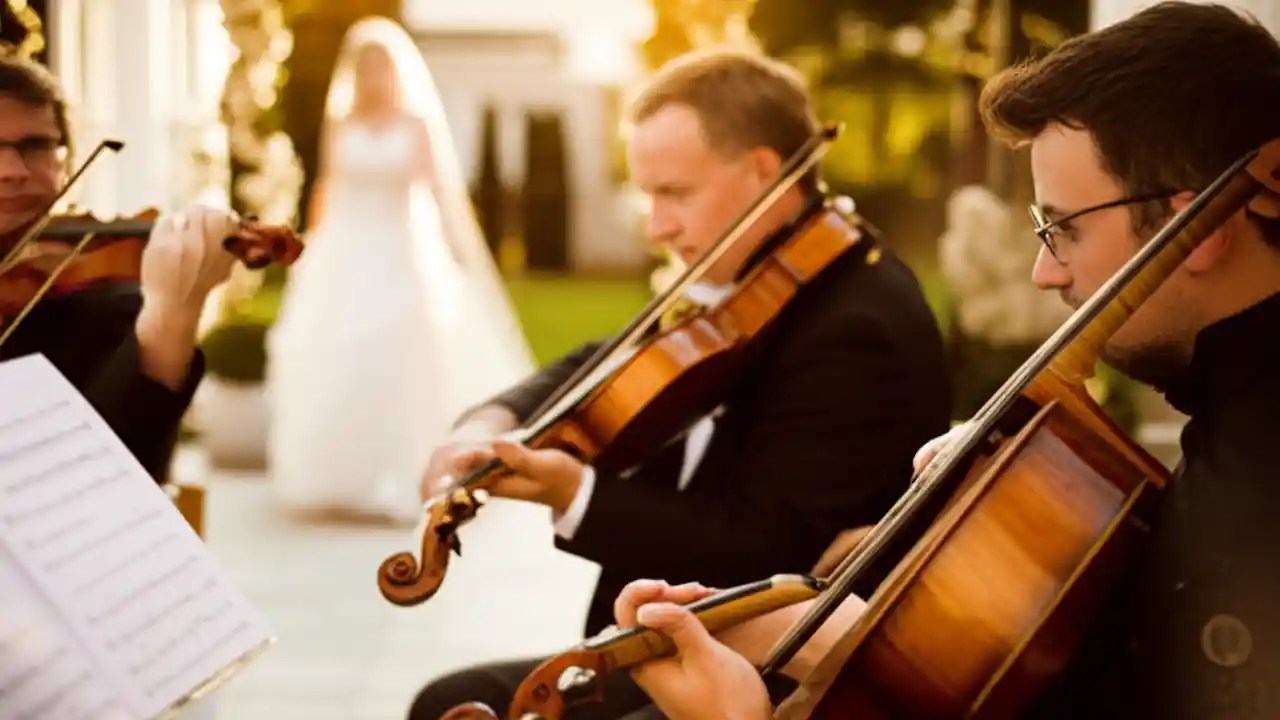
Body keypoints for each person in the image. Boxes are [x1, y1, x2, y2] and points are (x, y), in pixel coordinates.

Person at [602, 3, 1280, 718]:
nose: (1045, 273)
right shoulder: (1227, 440)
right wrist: (850, 639)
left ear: (1194, 229)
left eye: (1063, 229)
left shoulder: (1249, 505)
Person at [407, 47, 952, 720]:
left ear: (763, 170)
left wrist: (573, 491)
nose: (658, 226)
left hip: (764, 678)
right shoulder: (749, 281)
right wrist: (493, 419)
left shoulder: (856, 326)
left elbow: (757, 547)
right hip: (676, 644)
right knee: (446, 701)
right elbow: (605, 359)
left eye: (675, 193)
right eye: (648, 195)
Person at [265, 17, 534, 524]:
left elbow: (439, 193)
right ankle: (337, 478)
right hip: (345, 251)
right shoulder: (341, 126)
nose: (373, 78)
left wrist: (457, 252)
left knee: (400, 357)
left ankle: (404, 476)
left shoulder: (416, 126)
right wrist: (310, 254)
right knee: (334, 357)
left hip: (400, 252)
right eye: (364, 69)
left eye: (381, 68)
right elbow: (327, 187)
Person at [0, 52, 247, 485]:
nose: (11, 171)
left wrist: (170, 318)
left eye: (36, 146)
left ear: (68, 160)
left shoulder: (102, 296)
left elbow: (125, 471)